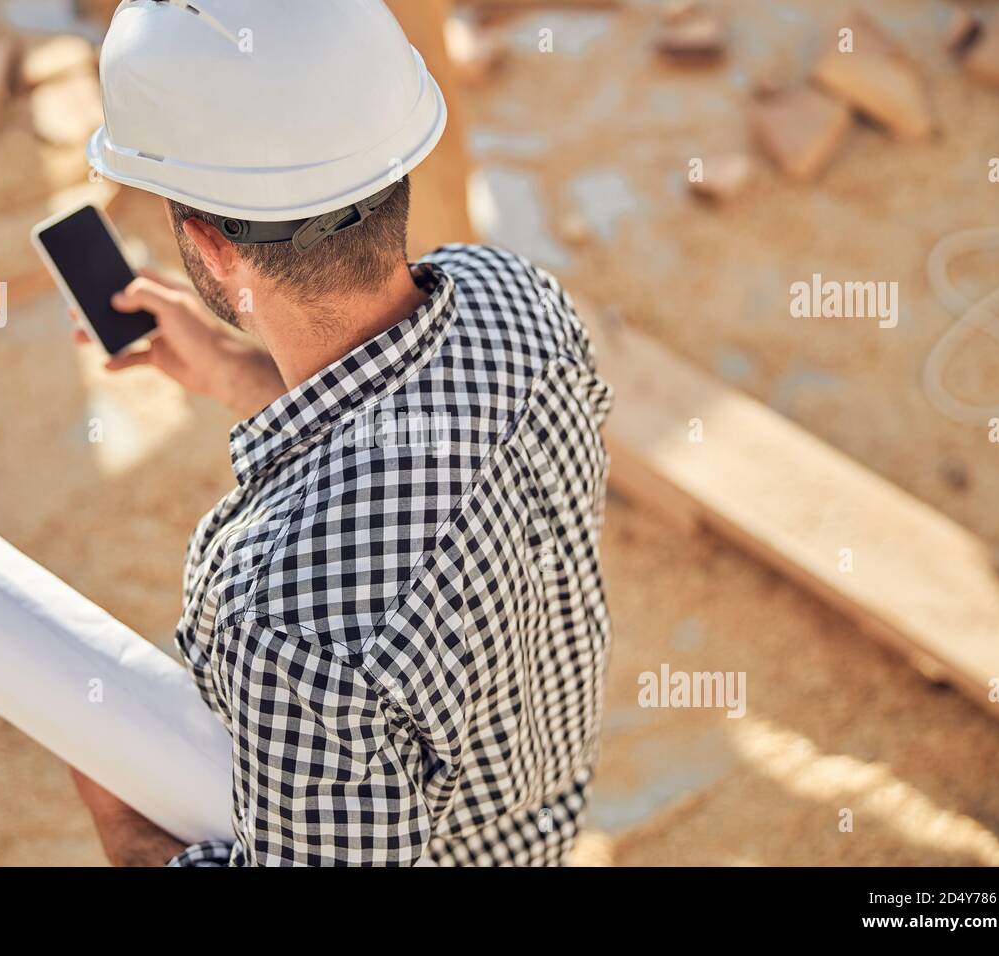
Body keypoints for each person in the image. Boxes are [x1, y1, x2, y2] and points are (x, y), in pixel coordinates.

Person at [70, 0, 613, 866]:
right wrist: (233, 372)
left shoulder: (283, 621)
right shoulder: (519, 301)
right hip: (536, 813)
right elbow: (405, 442)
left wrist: (127, 829)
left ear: (208, 245)